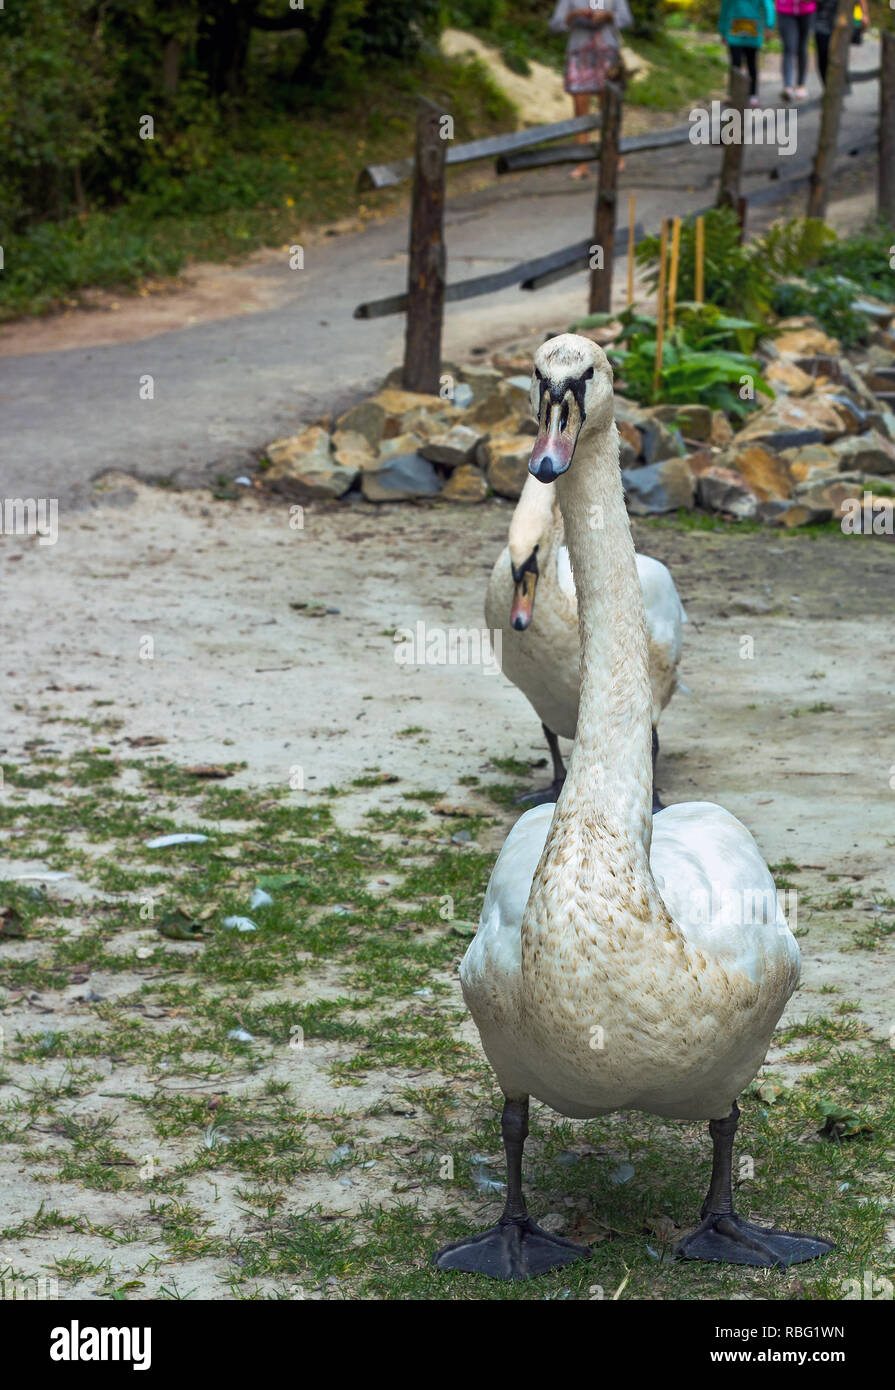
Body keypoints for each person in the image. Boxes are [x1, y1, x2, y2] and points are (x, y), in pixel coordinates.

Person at [550, 0, 633, 180]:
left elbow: (626, 19)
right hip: (579, 55)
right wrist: (573, 16)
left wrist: (608, 16)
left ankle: (615, 156)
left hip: (607, 55)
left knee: (608, 110)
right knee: (581, 111)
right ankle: (582, 164)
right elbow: (555, 24)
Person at [719, 0, 777, 106]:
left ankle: (753, 94)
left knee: (752, 64)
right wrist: (722, 30)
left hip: (753, 33)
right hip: (734, 33)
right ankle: (733, 94)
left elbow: (768, 6)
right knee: (735, 64)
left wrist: (769, 25)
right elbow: (725, 8)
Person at [814, 0, 869, 86]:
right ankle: (827, 88)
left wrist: (864, 14)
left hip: (842, 19)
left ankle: (839, 87)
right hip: (822, 18)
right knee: (823, 54)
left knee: (840, 54)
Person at [776, 0, 817, 101]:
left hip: (806, 11)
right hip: (785, 10)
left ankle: (800, 85)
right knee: (789, 47)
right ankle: (788, 87)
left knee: (802, 48)